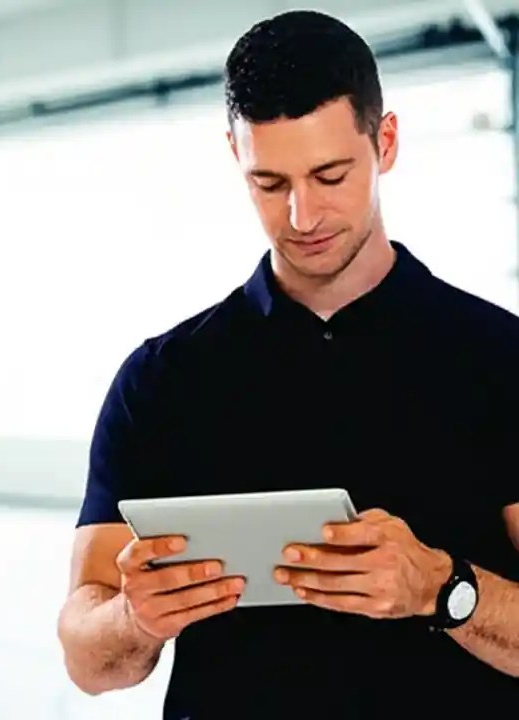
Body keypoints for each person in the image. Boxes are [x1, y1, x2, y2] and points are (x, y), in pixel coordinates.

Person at [57, 10, 519, 719]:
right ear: (234, 157)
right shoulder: (162, 379)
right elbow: (88, 661)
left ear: (385, 142)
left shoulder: (500, 359)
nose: (302, 215)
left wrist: (444, 588)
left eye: (330, 174)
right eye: (268, 183)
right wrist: (133, 618)